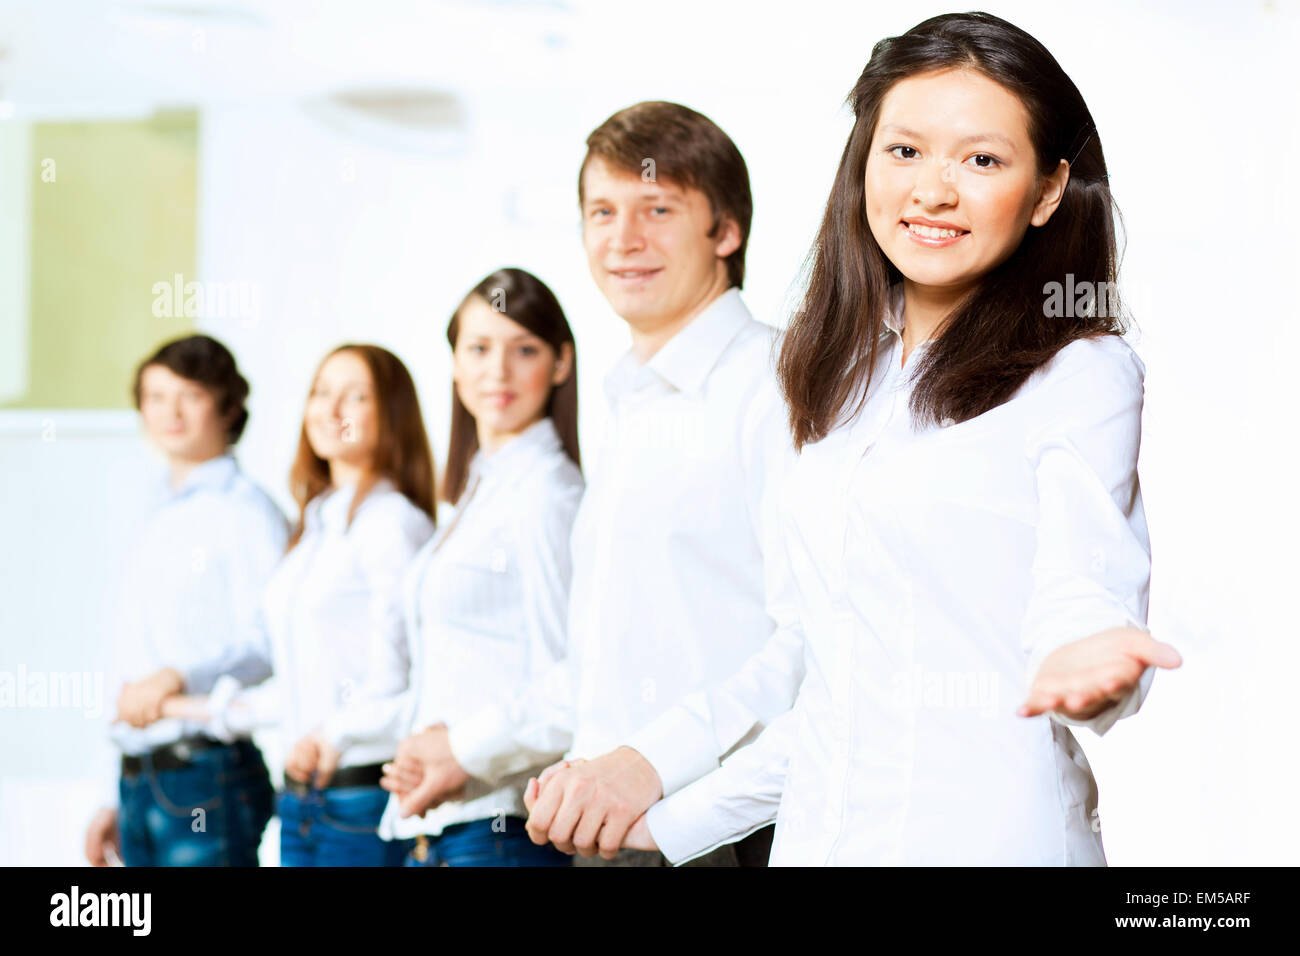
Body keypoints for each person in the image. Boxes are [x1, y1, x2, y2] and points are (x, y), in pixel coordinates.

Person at [604, 11, 1182, 866]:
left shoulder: (1081, 372)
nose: (933, 190)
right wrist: (669, 822)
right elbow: (831, 691)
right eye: (904, 150)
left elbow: (1083, 601)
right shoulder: (830, 382)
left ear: (1050, 191)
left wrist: (1095, 663)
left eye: (981, 160)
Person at [392, 102, 794, 866]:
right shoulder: (632, 410)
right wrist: (466, 749)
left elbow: (813, 644)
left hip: (717, 832)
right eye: (601, 211)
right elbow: (598, 667)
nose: (623, 238)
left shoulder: (775, 386)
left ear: (726, 231)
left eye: (658, 209)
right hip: (608, 833)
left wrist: (651, 763)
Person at [160, 344, 436, 866]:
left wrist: (331, 735)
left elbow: (404, 686)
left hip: (360, 799)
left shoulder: (392, 525)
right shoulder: (314, 528)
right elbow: (301, 690)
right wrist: (184, 707)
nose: (331, 410)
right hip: (303, 801)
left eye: (355, 396)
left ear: (390, 415)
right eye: (321, 392)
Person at [377, 268, 583, 867]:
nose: (498, 371)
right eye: (479, 348)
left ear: (561, 363)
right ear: (454, 364)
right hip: (440, 830)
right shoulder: (475, 494)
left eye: (525, 350)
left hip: (500, 831)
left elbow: (570, 683)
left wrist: (460, 750)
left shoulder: (548, 494)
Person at [85, 334, 287, 867]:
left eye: (189, 394)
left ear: (227, 405)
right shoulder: (154, 509)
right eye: (154, 396)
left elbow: (269, 643)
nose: (169, 412)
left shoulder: (246, 511)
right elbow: (135, 653)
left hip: (205, 774)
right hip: (140, 776)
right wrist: (115, 794)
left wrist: (180, 676)